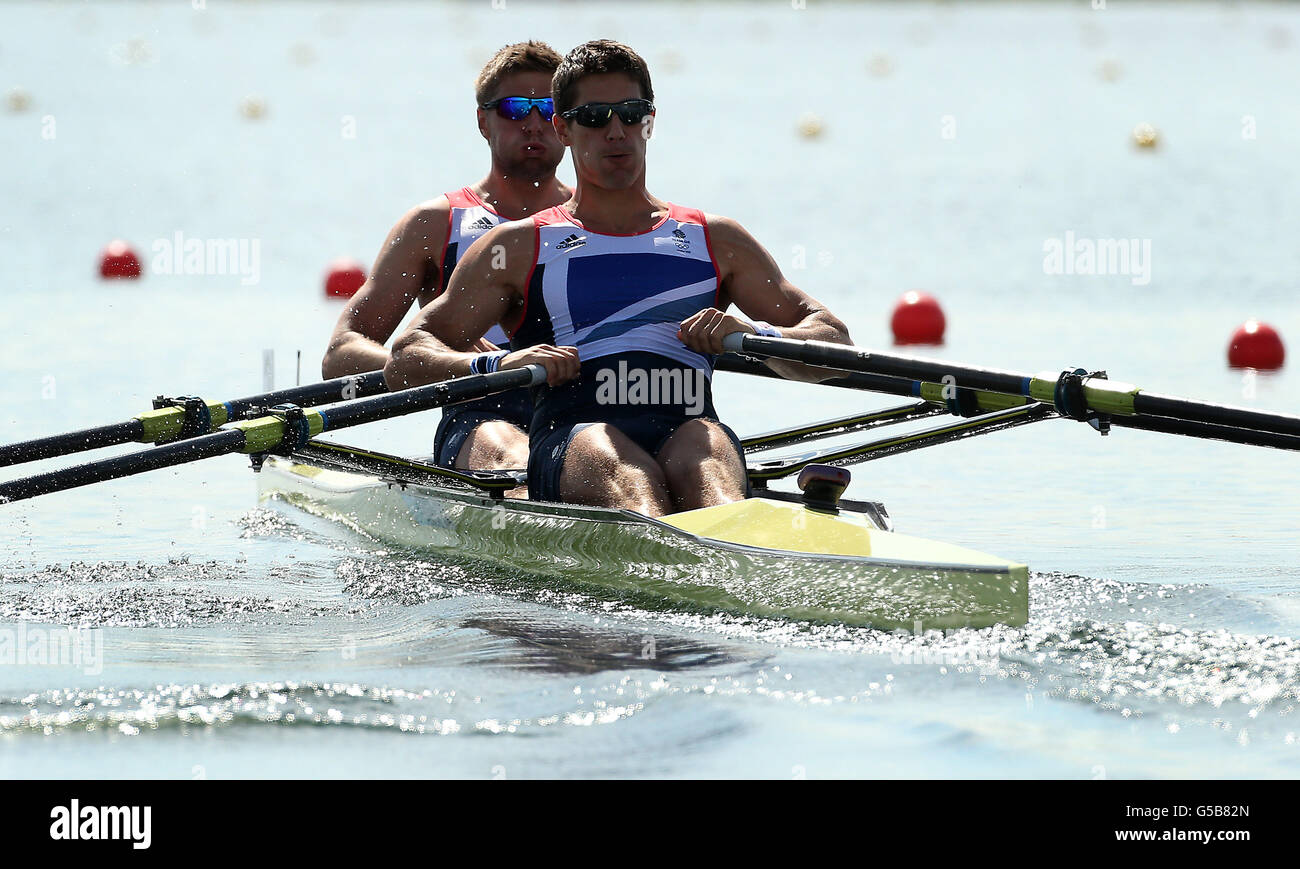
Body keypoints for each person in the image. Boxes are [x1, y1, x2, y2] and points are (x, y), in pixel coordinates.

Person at [385, 40, 850, 517]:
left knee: (710, 471)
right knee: (630, 482)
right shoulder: (517, 247)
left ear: (651, 121)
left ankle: (745, 553)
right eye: (594, 117)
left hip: (688, 424)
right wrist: (496, 366)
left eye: (631, 114)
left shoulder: (717, 238)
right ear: (563, 128)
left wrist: (755, 334)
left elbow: (833, 342)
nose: (615, 131)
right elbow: (406, 357)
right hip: (577, 436)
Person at [322, 41, 570, 472]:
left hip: (585, 411)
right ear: (483, 122)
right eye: (514, 109)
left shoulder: (601, 218)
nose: (533, 124)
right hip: (481, 418)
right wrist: (451, 367)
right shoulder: (436, 224)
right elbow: (341, 352)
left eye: (547, 109)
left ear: (566, 123)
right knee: (510, 451)